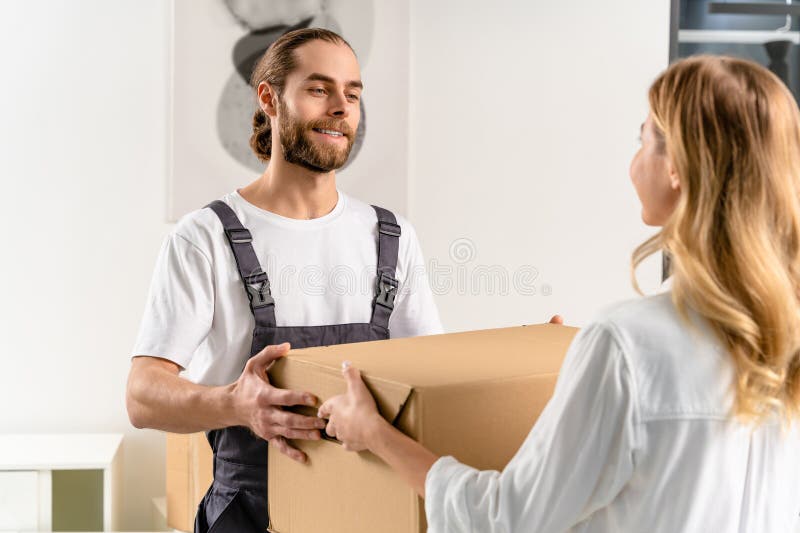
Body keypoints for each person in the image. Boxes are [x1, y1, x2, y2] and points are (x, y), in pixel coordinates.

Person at [319, 55, 800, 532]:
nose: (634, 163)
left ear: (676, 166)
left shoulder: (625, 345)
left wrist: (375, 434)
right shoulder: (784, 339)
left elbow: (506, 520)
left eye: (643, 140)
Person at [125, 28, 443, 532]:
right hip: (248, 518)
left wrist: (528, 359)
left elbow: (435, 381)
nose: (341, 107)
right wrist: (235, 404)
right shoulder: (204, 236)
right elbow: (142, 396)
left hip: (370, 515)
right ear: (269, 99)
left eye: (353, 94)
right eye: (319, 89)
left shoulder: (394, 237)